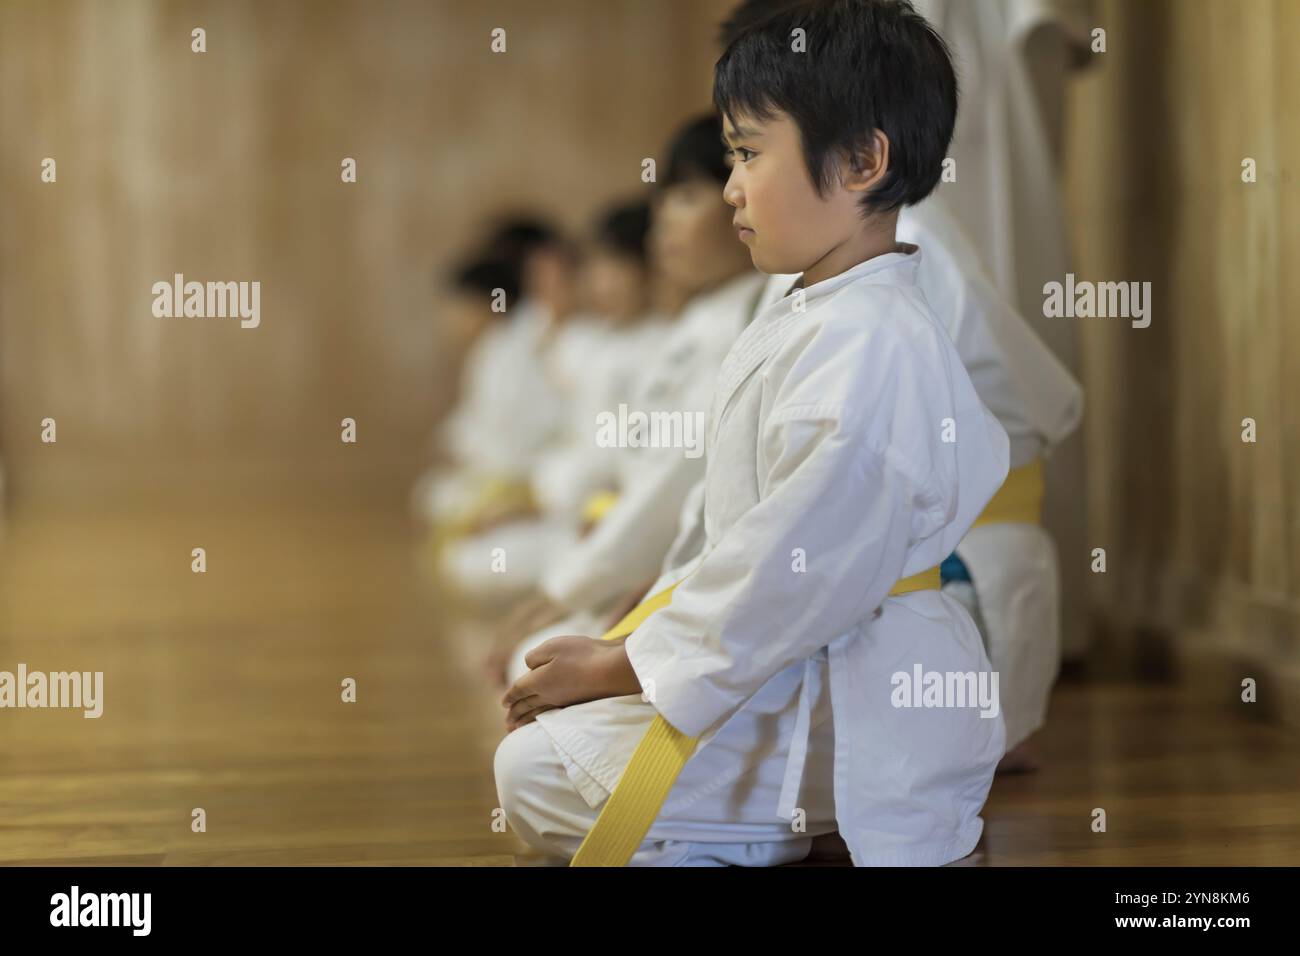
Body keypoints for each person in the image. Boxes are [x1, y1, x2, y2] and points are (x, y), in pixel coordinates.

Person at [495, 0, 1010, 866]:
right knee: (550, 726)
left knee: (532, 773)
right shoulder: (825, 309)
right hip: (802, 659)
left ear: (860, 161)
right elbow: (734, 527)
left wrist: (626, 665)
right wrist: (634, 639)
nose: (733, 186)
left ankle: (775, 827)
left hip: (862, 699)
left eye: (746, 154)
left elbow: (789, 565)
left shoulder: (871, 341)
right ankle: (754, 820)